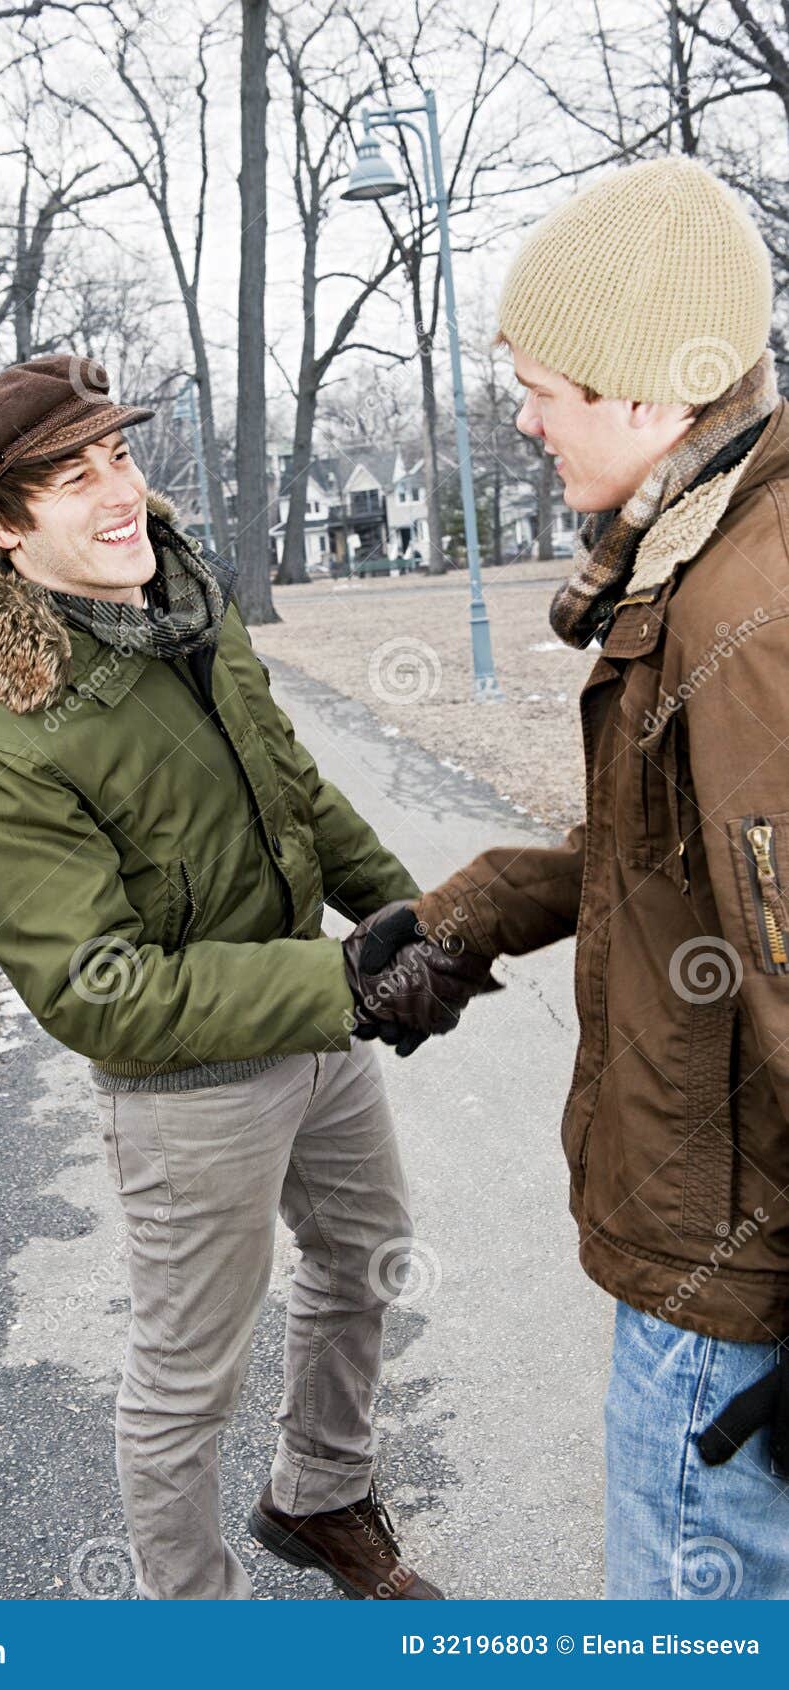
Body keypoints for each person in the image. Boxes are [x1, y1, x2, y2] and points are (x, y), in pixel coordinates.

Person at [0, 353, 493, 1600]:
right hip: (191, 1087)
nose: (115, 491)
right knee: (187, 1373)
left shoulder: (188, 603)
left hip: (318, 1023)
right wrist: (341, 979)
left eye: (117, 458)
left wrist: (412, 920)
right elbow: (96, 987)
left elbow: (293, 784)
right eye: (69, 480)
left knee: (363, 1255)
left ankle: (320, 1495)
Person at [361, 157, 789, 1599]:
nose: (523, 415)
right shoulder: (703, 550)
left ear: (648, 395)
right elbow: (663, 861)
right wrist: (462, 917)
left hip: (725, 1273)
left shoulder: (749, 603)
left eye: (543, 384)